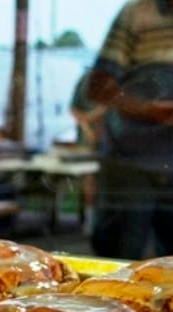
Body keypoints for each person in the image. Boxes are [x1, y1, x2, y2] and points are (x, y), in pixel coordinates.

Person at [85, 0, 173, 260]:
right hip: (128, 166)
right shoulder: (137, 13)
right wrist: (157, 110)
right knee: (116, 265)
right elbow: (98, 87)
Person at [69, 68, 105, 235]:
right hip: (89, 143)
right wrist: (88, 126)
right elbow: (74, 110)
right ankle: (90, 221)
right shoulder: (87, 78)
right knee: (90, 181)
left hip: (112, 144)